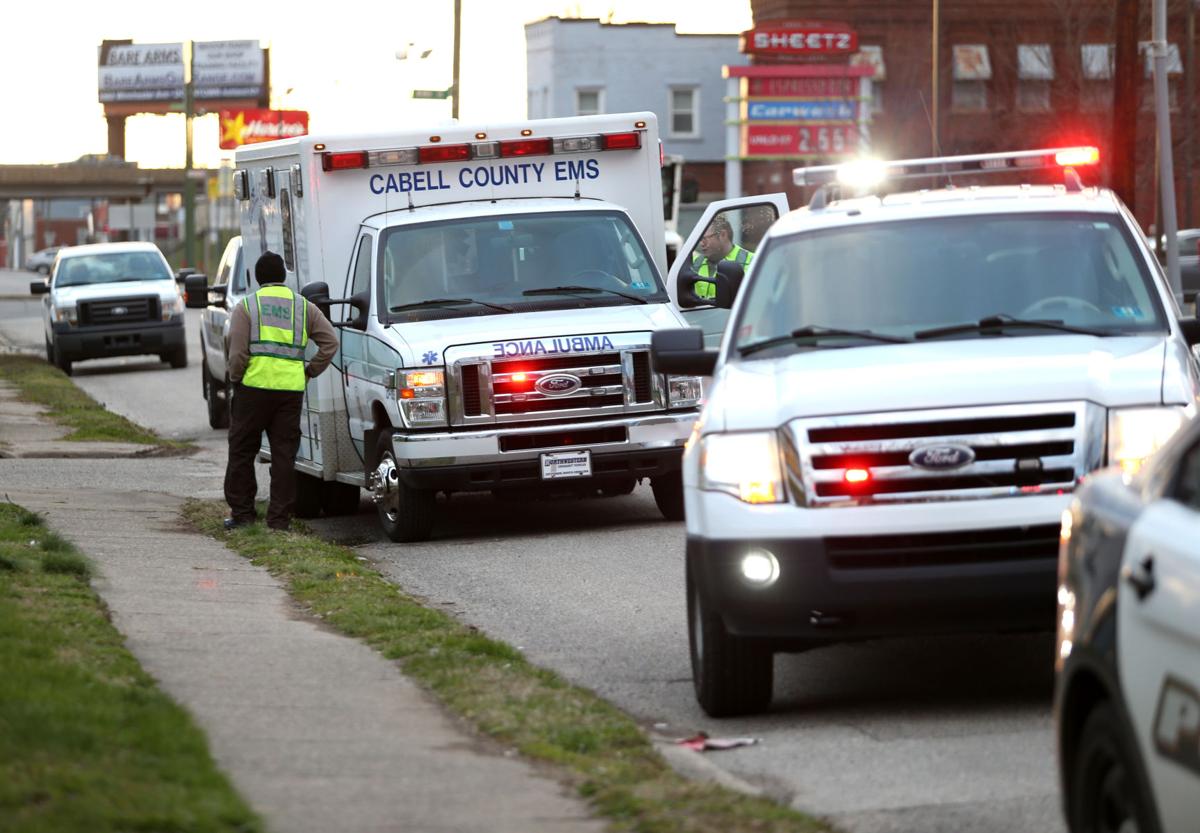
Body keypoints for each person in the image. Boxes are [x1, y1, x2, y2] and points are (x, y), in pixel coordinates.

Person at [223, 252, 338, 531]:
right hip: (290, 393)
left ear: (258, 278)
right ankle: (279, 520)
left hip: (252, 390)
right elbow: (330, 342)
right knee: (284, 455)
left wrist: (236, 379)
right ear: (283, 277)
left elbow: (237, 354)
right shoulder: (303, 307)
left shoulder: (247, 307)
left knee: (241, 452)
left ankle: (243, 515)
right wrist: (309, 371)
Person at [691, 214, 753, 302]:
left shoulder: (752, 262)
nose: (701, 244)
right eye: (700, 239)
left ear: (723, 235)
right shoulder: (693, 262)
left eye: (704, 238)